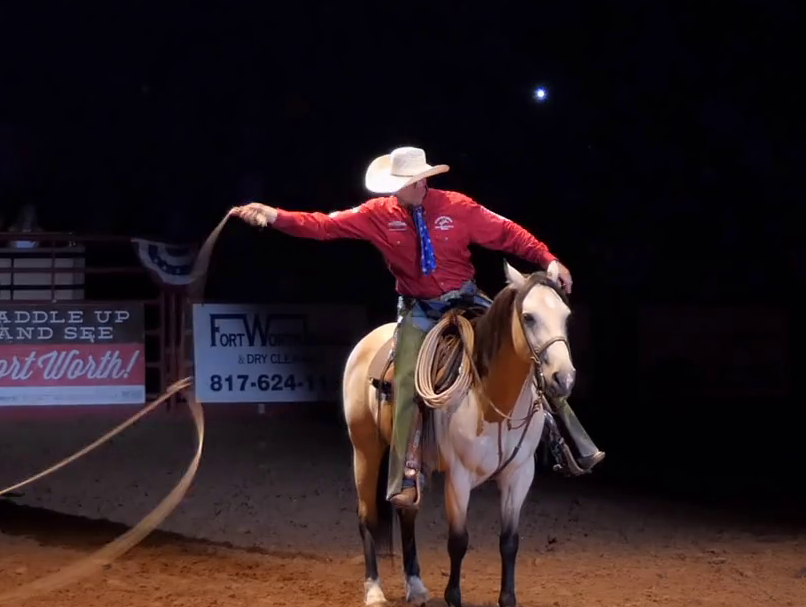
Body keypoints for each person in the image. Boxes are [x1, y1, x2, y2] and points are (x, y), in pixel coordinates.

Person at [231, 146, 604, 510]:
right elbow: (325, 226)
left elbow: (507, 233)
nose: (418, 186)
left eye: (420, 180)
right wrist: (275, 215)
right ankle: (405, 475)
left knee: (527, 346)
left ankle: (571, 438)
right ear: (397, 186)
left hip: (466, 298)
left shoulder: (458, 207)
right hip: (419, 309)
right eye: (409, 182)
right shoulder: (377, 214)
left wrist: (548, 259)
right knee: (406, 381)